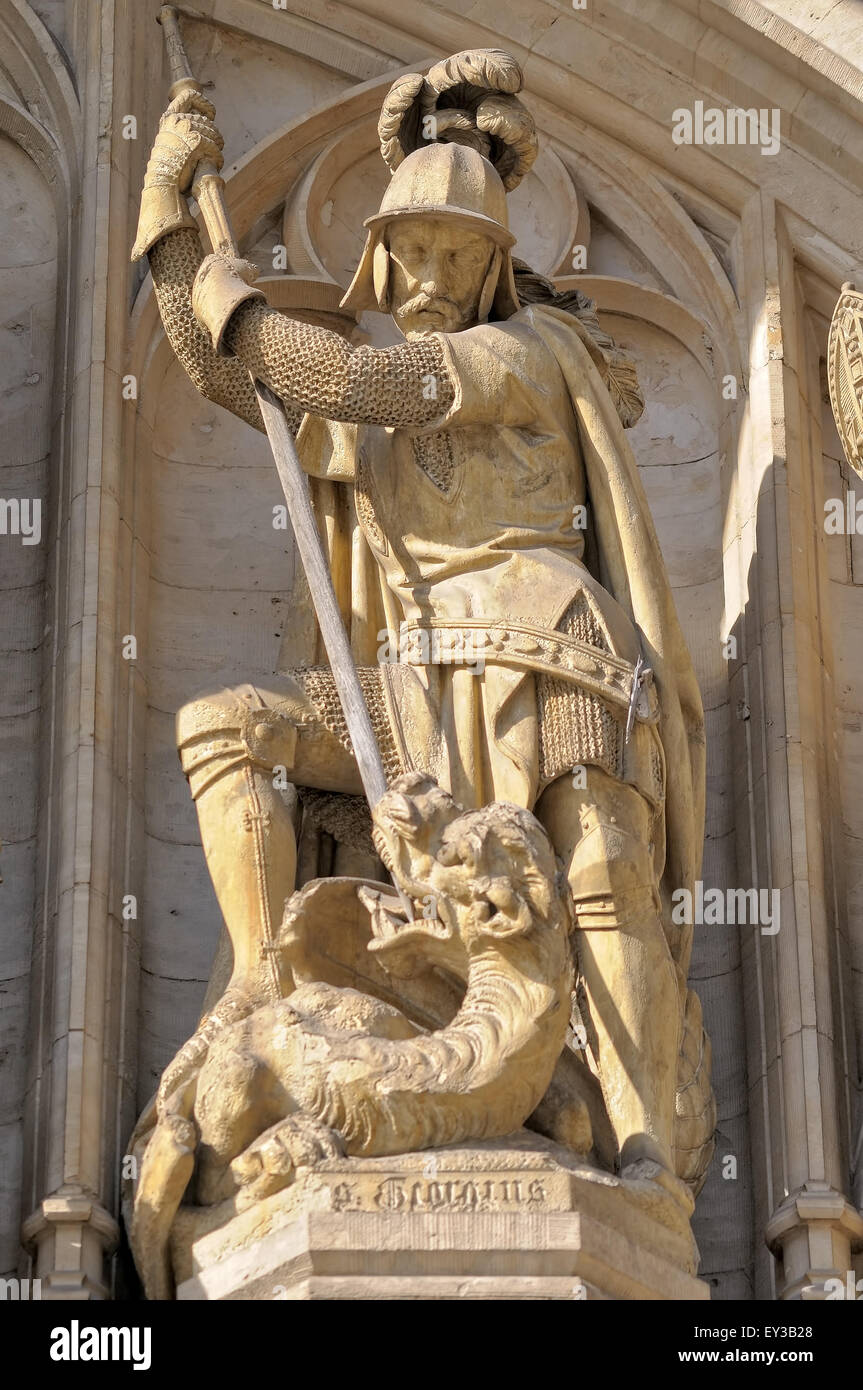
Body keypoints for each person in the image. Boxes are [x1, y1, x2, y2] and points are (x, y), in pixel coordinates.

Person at [131, 62, 707, 1203]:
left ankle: (645, 1159)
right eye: (412, 252)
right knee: (230, 728)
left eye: (457, 254)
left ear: (494, 265)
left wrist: (243, 303)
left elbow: (338, 375)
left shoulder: (519, 355)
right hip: (405, 689)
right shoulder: (370, 396)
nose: (432, 277)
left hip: (546, 647)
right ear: (380, 257)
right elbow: (222, 376)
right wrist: (170, 226)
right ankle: (255, 987)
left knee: (599, 882)